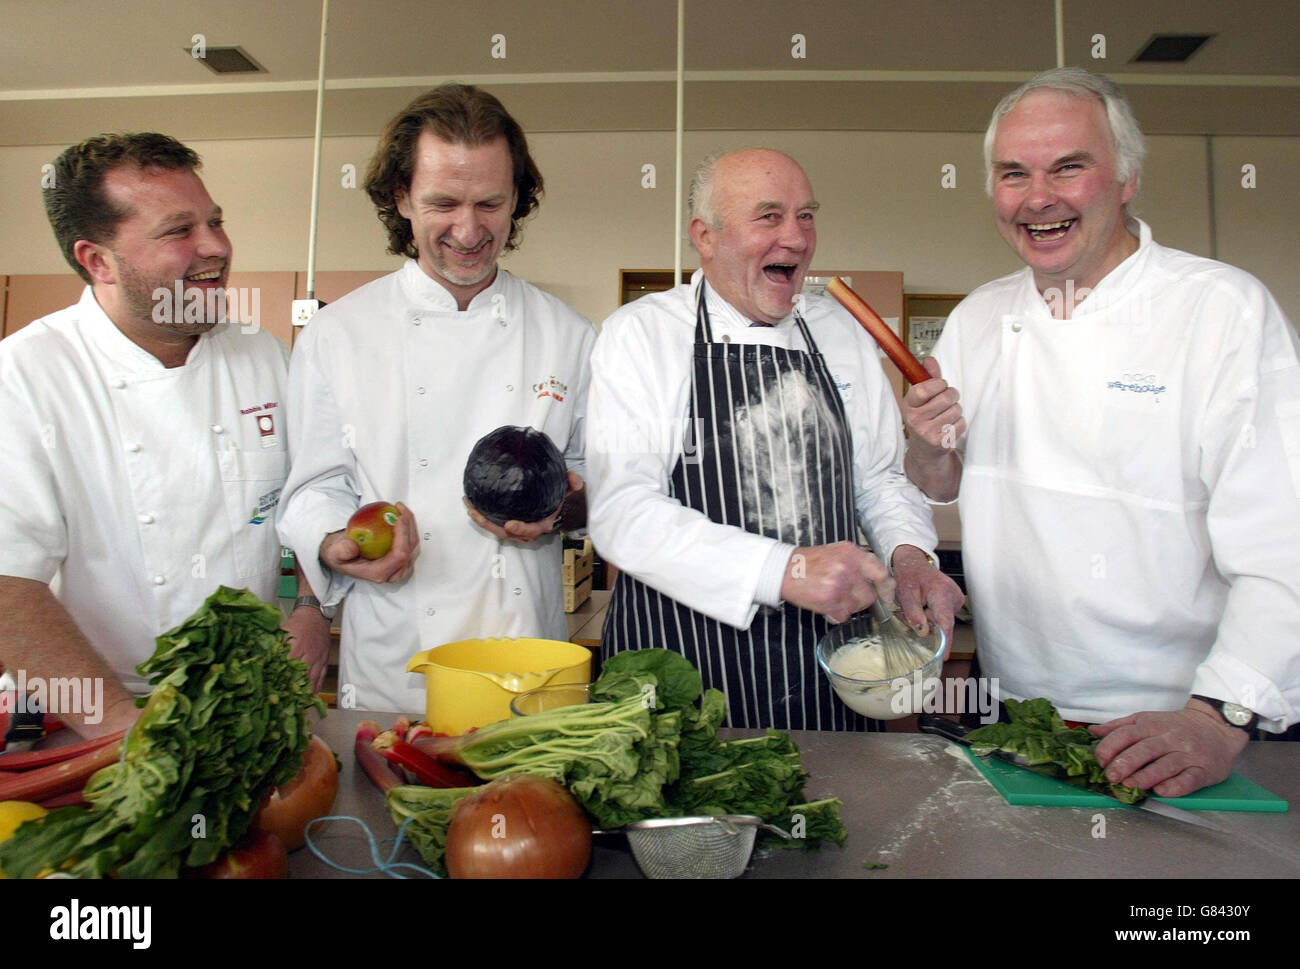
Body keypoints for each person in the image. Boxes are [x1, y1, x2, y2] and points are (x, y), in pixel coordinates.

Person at [901, 67, 1300, 795]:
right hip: (1019, 709)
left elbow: (1286, 542)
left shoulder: (1222, 311)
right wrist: (926, 449)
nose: (1038, 197)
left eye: (1069, 168)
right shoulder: (978, 318)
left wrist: (1222, 714)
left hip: (1186, 718)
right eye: (1013, 173)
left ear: (1126, 179)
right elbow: (941, 482)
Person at [585, 148, 963, 731]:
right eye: (769, 216)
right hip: (681, 660)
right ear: (704, 237)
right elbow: (621, 513)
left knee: (831, 815)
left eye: (806, 215)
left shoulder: (840, 331)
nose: (796, 237)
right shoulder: (643, 334)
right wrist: (784, 570)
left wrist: (909, 555)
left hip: (827, 668)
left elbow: (879, 479)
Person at [277, 84, 595, 713]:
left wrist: (562, 511)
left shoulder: (569, 334)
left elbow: (597, 485)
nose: (469, 230)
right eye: (443, 203)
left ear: (516, 201)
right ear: (400, 198)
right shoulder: (338, 333)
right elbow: (312, 487)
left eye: (490, 203)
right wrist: (334, 539)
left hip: (526, 659)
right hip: (397, 665)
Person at [0, 133, 330, 738]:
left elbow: (314, 496)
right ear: (97, 260)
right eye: (180, 231)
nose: (217, 248)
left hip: (246, 698)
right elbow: (7, 586)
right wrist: (125, 733)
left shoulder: (264, 358)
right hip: (86, 714)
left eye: (216, 221)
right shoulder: (24, 376)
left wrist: (310, 607)